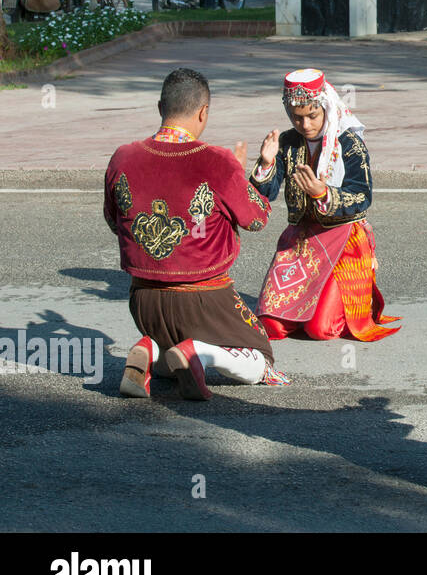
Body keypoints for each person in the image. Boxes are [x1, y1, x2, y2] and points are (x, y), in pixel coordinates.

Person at [104, 68, 289, 401]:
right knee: (260, 361)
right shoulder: (217, 161)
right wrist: (246, 173)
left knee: (168, 364)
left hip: (144, 300)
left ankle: (149, 348)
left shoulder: (123, 157)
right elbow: (257, 219)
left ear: (160, 107)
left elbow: (113, 219)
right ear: (204, 112)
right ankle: (199, 353)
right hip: (203, 298)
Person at [250, 69, 400, 342]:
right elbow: (267, 193)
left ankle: (356, 297)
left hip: (343, 239)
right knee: (270, 325)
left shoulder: (349, 143)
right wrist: (266, 163)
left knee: (321, 330)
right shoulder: (287, 142)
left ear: (326, 108)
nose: (305, 124)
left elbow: (362, 195)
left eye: (312, 116)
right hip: (301, 241)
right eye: (297, 117)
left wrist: (324, 194)